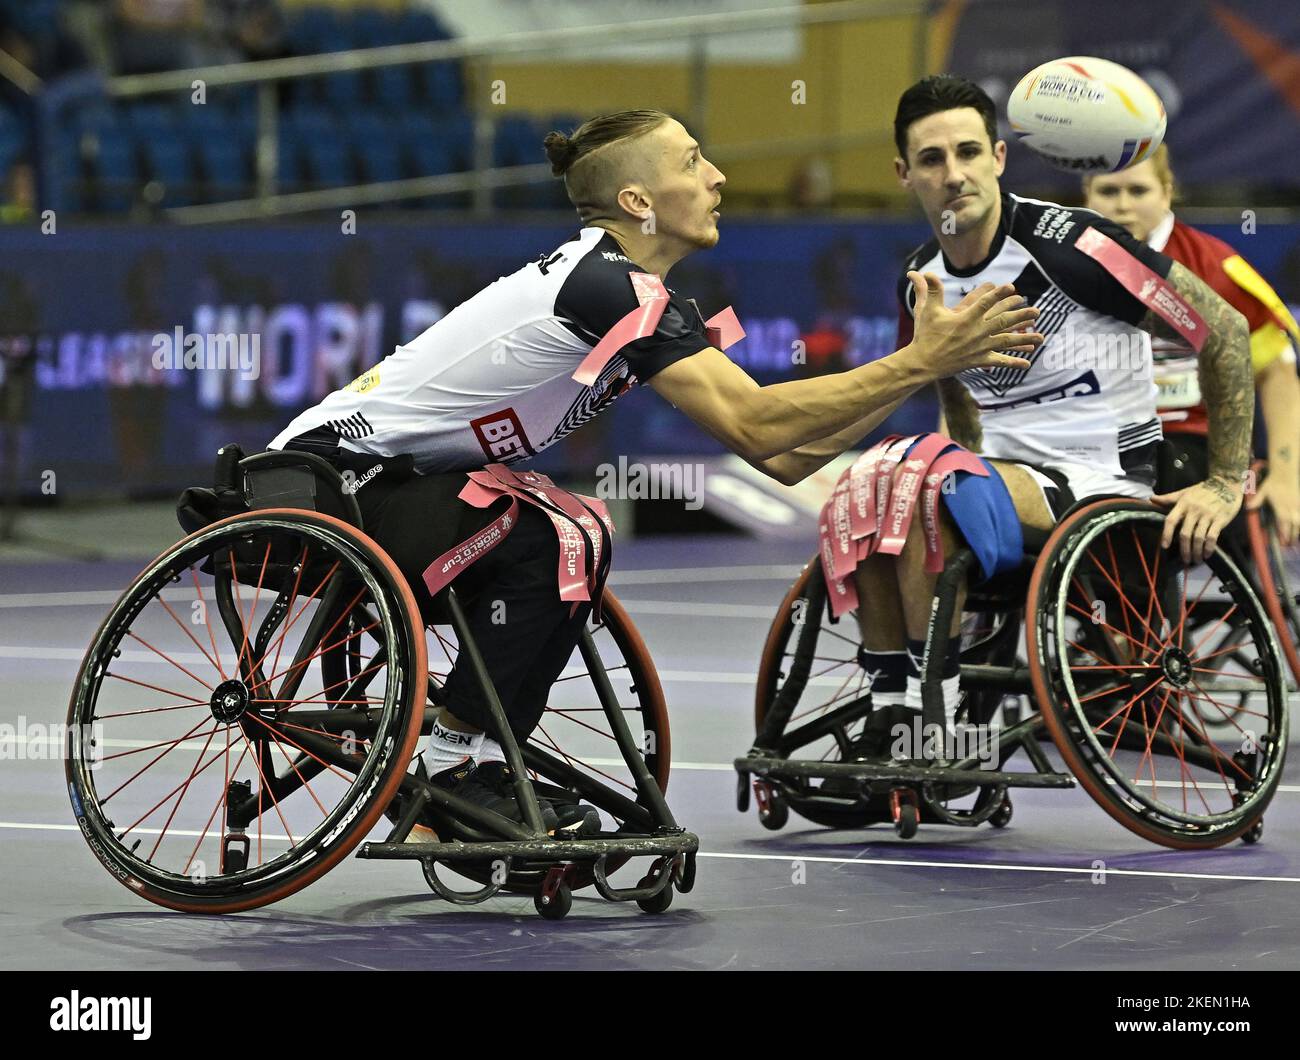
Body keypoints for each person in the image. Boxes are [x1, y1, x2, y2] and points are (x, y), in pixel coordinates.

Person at [266, 108, 1044, 827]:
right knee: (546, 532)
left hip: (394, 490)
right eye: (694, 161)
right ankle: (452, 761)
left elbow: (780, 456)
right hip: (331, 484)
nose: (718, 178)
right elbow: (757, 418)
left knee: (570, 531)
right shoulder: (603, 285)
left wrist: (914, 370)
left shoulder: (642, 295)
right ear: (639, 200)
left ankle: (477, 762)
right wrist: (919, 357)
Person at [825, 76, 1255, 751]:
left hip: (1105, 479)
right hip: (1002, 476)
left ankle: (926, 707)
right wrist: (961, 451)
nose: (955, 174)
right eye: (933, 160)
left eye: (969, 152)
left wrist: (1227, 483)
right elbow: (951, 389)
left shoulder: (1078, 248)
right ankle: (893, 702)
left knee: (917, 483)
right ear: (905, 175)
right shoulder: (922, 276)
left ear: (999, 157)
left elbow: (1225, 332)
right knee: (871, 485)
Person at [1083, 145, 1300, 544]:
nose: (1123, 205)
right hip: (1090, 439)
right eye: (1109, 192)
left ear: (1167, 193)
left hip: (1191, 445)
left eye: (1139, 191)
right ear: (1088, 195)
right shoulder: (1059, 262)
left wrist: (1288, 476)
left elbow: (1278, 371)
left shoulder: (1216, 266)